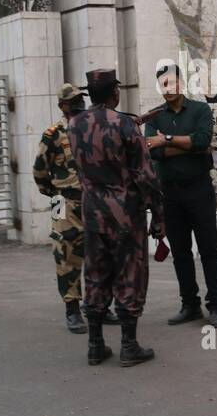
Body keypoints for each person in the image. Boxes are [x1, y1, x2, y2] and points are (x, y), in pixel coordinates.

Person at [68, 69, 165, 367]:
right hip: (125, 211)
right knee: (129, 273)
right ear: (115, 93)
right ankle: (128, 345)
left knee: (96, 272)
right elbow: (145, 174)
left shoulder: (74, 125)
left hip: (92, 210)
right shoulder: (124, 124)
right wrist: (158, 214)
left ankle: (95, 345)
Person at [144, 63, 217, 328]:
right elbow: (152, 151)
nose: (168, 89)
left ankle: (215, 304)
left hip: (199, 188)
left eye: (172, 82)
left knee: (209, 248)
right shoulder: (154, 117)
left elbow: (203, 141)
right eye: (163, 84)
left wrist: (166, 139)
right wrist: (188, 145)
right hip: (170, 193)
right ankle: (189, 304)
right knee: (180, 251)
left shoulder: (200, 110)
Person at [33, 83, 119, 334]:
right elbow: (40, 170)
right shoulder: (53, 134)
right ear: (62, 106)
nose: (78, 105)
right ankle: (72, 309)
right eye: (72, 101)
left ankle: (101, 306)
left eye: (80, 99)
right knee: (66, 253)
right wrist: (55, 193)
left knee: (102, 254)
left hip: (95, 199)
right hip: (63, 201)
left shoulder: (93, 128)